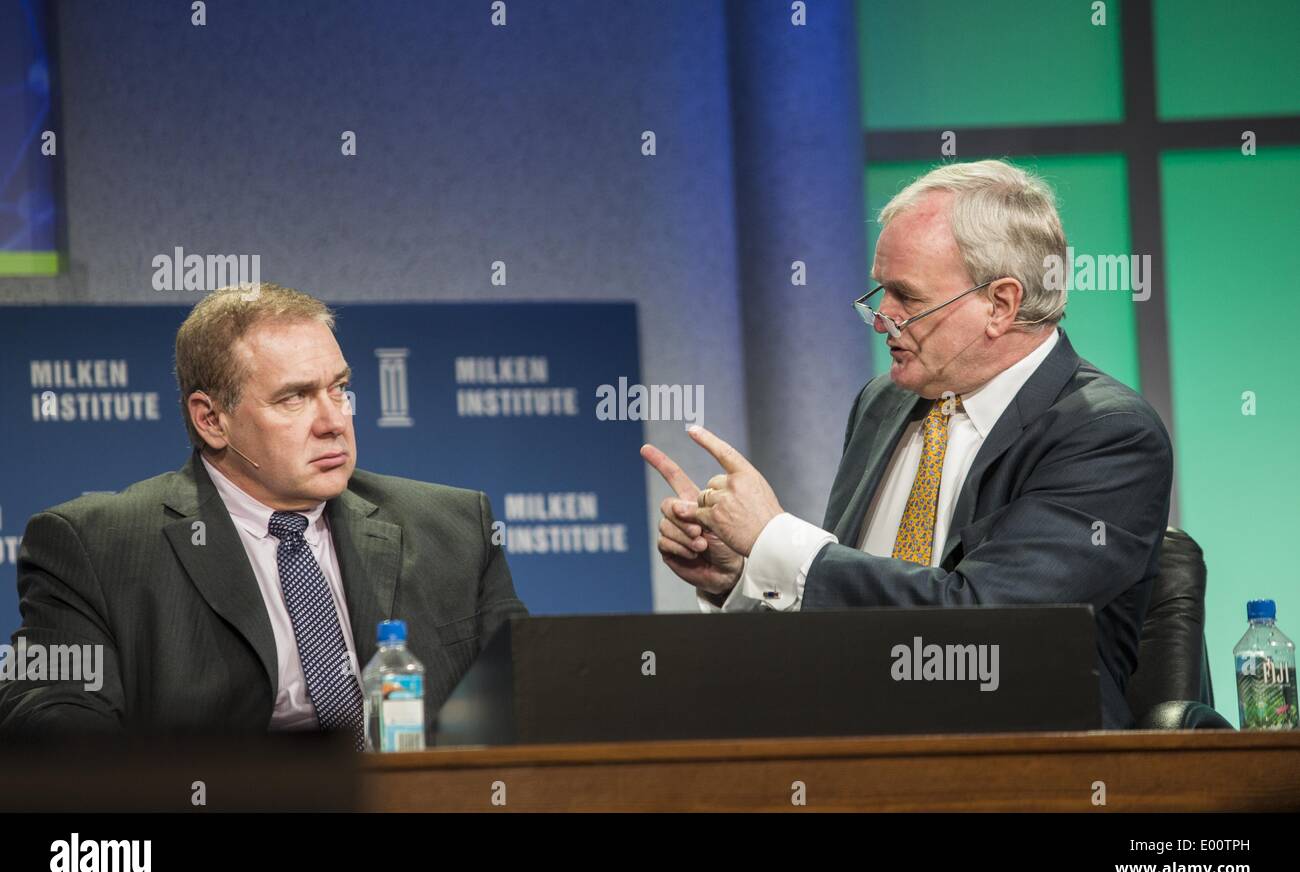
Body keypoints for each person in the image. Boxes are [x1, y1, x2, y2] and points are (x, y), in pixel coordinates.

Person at [642, 160, 1172, 729]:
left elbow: (985, 628)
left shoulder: (1107, 434)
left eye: (906, 297)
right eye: (880, 289)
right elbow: (857, 619)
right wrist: (741, 577)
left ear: (1001, 304)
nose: (880, 319)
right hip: (859, 756)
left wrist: (775, 538)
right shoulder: (883, 403)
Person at [1, 283, 526, 744]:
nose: (333, 422)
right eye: (294, 398)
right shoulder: (97, 546)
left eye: (339, 390)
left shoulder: (454, 527)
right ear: (211, 420)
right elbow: (51, 709)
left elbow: (529, 695)